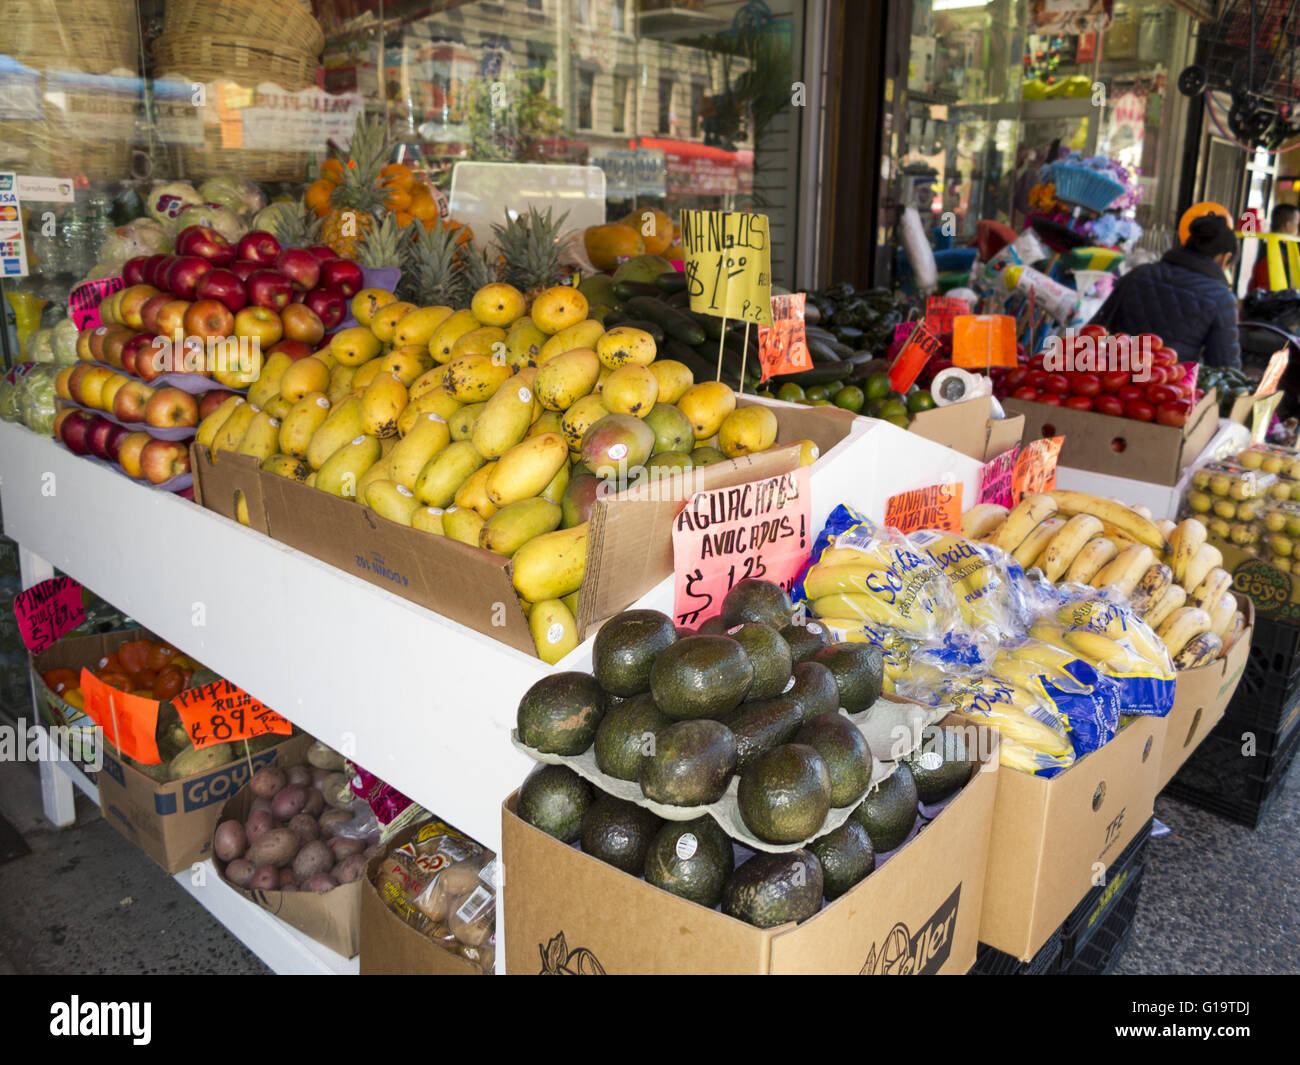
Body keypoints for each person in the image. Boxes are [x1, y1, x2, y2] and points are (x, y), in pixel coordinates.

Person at [1088, 211, 1241, 367]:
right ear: (1225, 258)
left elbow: (1097, 326)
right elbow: (1224, 366)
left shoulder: (1140, 273)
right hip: (1170, 385)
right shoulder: (1221, 298)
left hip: (1114, 377)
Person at [1248, 203, 1299, 292]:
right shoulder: (1275, 252)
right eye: (1297, 223)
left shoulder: (1272, 247)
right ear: (1288, 225)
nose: (1298, 227)